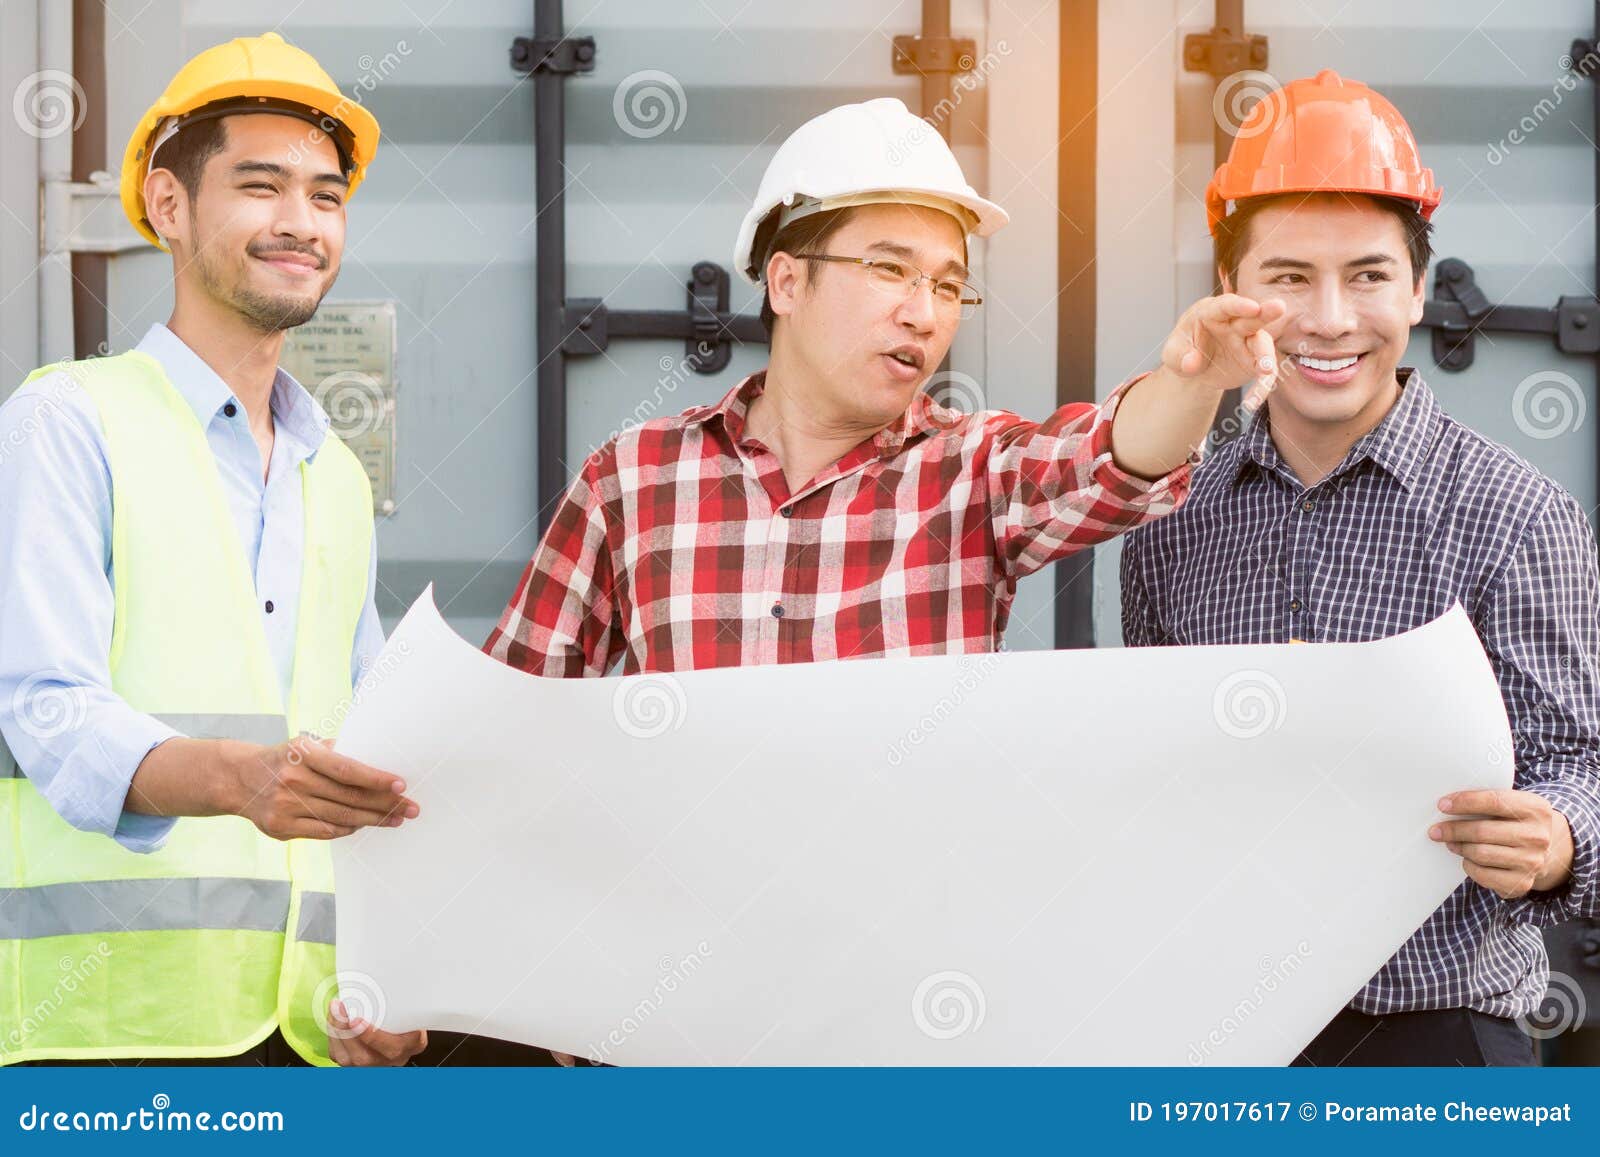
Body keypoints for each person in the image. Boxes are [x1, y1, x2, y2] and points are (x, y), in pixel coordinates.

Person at [463, 96, 1291, 1064]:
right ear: (785, 278)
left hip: (904, 1033)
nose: (923, 312)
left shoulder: (969, 472)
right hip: (680, 1024)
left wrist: (1191, 383)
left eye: (948, 285)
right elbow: (501, 735)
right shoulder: (635, 478)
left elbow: (1107, 460)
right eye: (889, 269)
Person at [1120, 70, 1599, 1066]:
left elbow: (1581, 762)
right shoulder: (1169, 519)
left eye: (1370, 275)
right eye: (1288, 277)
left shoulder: (1514, 516)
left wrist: (1557, 839)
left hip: (1442, 1042)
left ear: (1418, 289)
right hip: (1213, 1033)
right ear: (1231, 291)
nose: (1330, 318)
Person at [0, 32, 424, 1067]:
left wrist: (400, 973)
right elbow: (42, 705)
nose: (302, 223)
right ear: (172, 204)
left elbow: (375, 758)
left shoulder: (336, 474)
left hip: (311, 1026)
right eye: (262, 185)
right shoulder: (67, 421)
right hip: (103, 1030)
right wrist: (240, 778)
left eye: (327, 197)